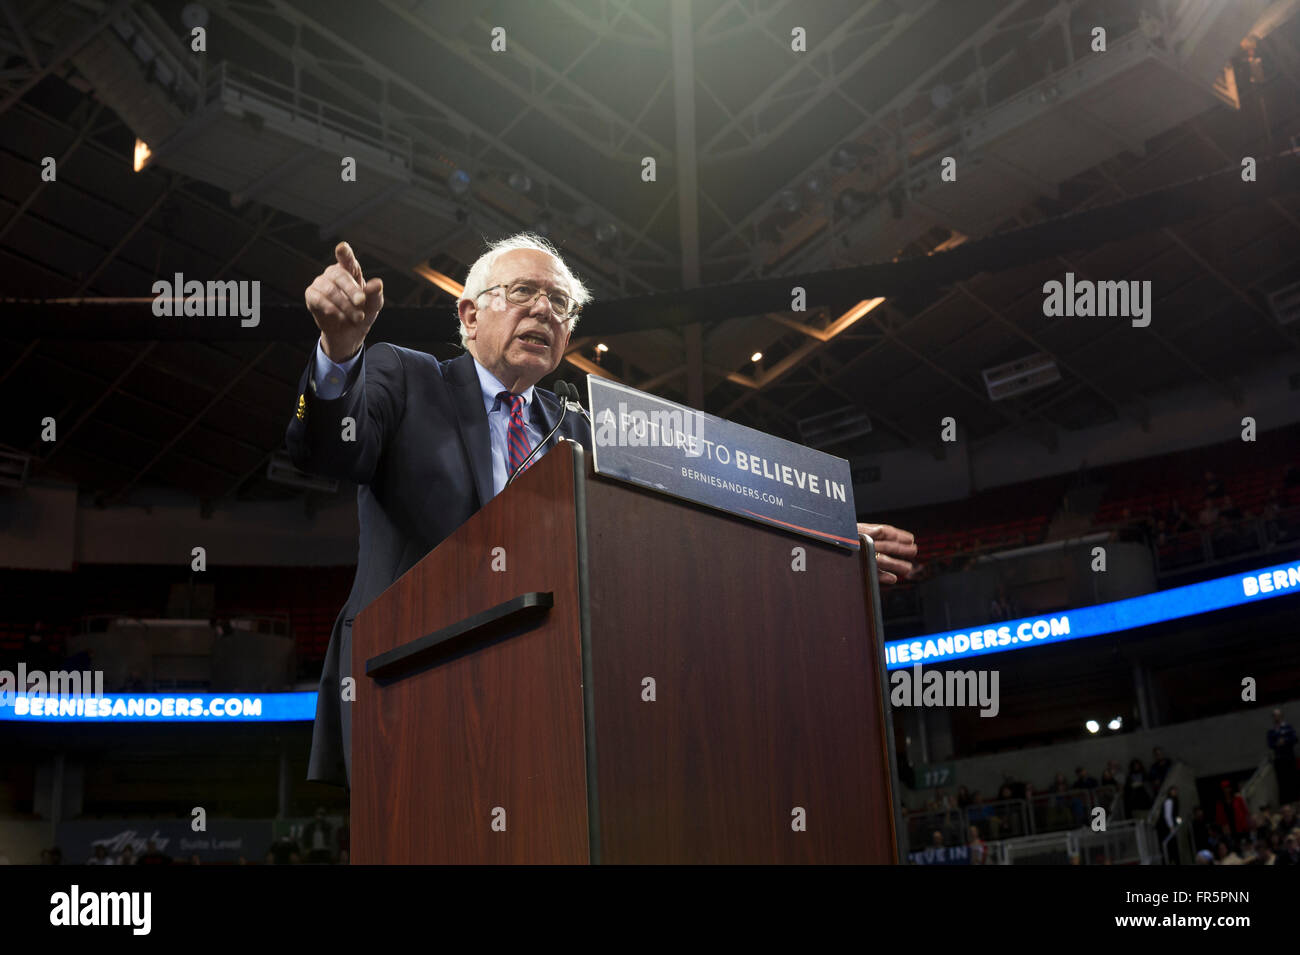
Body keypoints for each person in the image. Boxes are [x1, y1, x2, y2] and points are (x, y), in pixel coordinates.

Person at [292, 237, 919, 787]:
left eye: (559, 304)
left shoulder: (585, 429)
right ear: (468, 314)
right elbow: (325, 449)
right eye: (521, 292)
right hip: (412, 685)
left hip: (553, 695)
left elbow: (700, 502)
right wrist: (340, 350)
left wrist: (826, 530)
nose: (542, 309)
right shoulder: (403, 375)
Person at [1267, 709, 1298, 804]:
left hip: (1289, 757)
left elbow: (1295, 738)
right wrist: (1277, 743)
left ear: (1281, 716)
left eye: (1278, 715)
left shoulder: (1288, 727)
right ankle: (1286, 802)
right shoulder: (1271, 731)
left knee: (1293, 779)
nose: (1277, 717)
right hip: (1279, 759)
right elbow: (1270, 744)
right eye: (1275, 716)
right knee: (1282, 783)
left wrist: (1285, 740)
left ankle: (1296, 799)